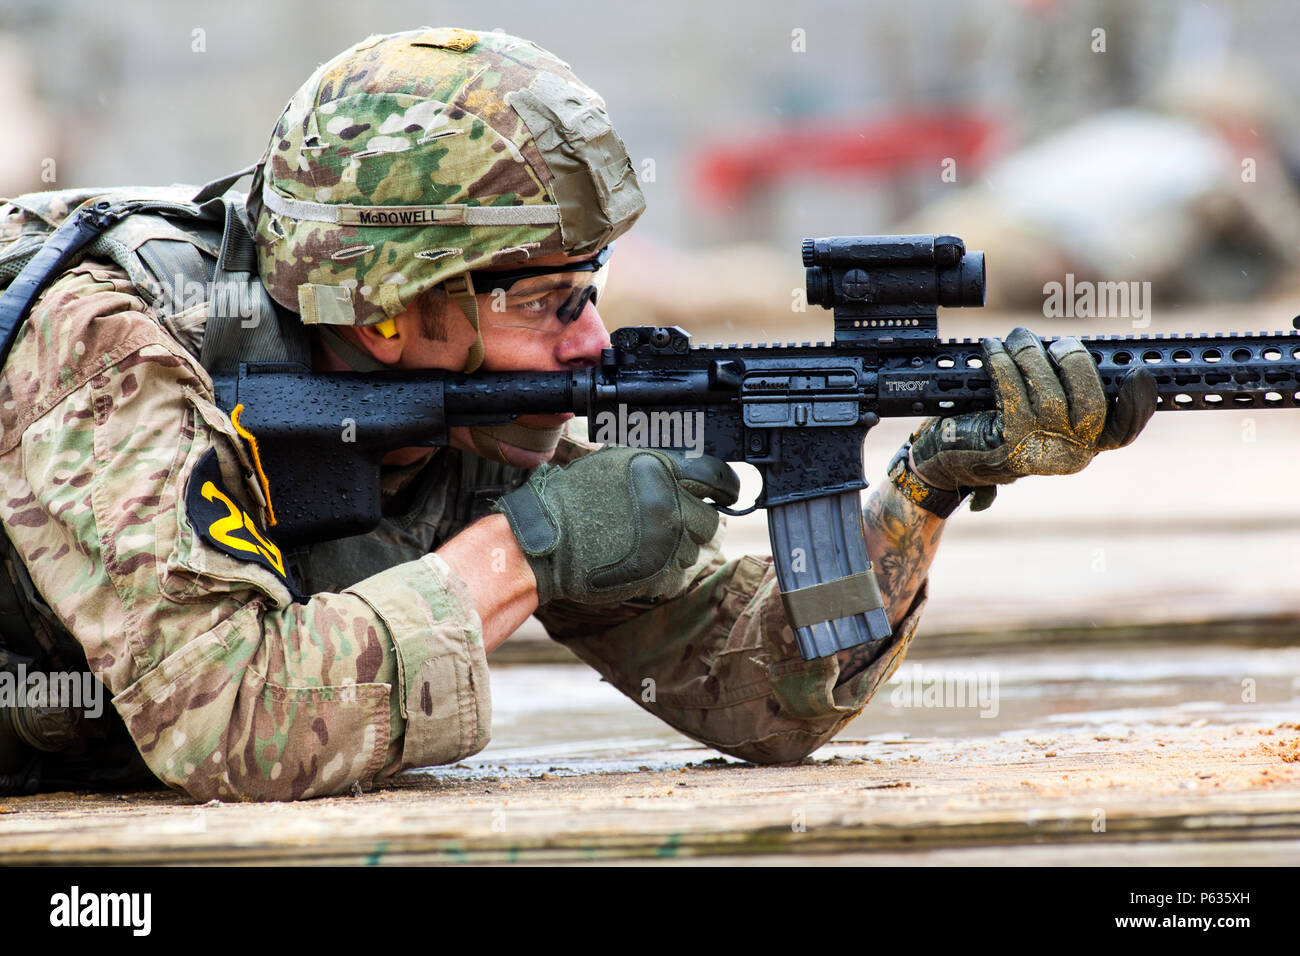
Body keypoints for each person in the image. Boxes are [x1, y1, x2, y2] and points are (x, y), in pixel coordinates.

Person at [0, 28, 1155, 800]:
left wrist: (919, 494)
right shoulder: (111, 346)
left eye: (590, 290)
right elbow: (233, 720)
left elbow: (753, 690)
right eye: (551, 299)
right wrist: (520, 554)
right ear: (392, 308)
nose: (591, 340)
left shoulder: (477, 407)